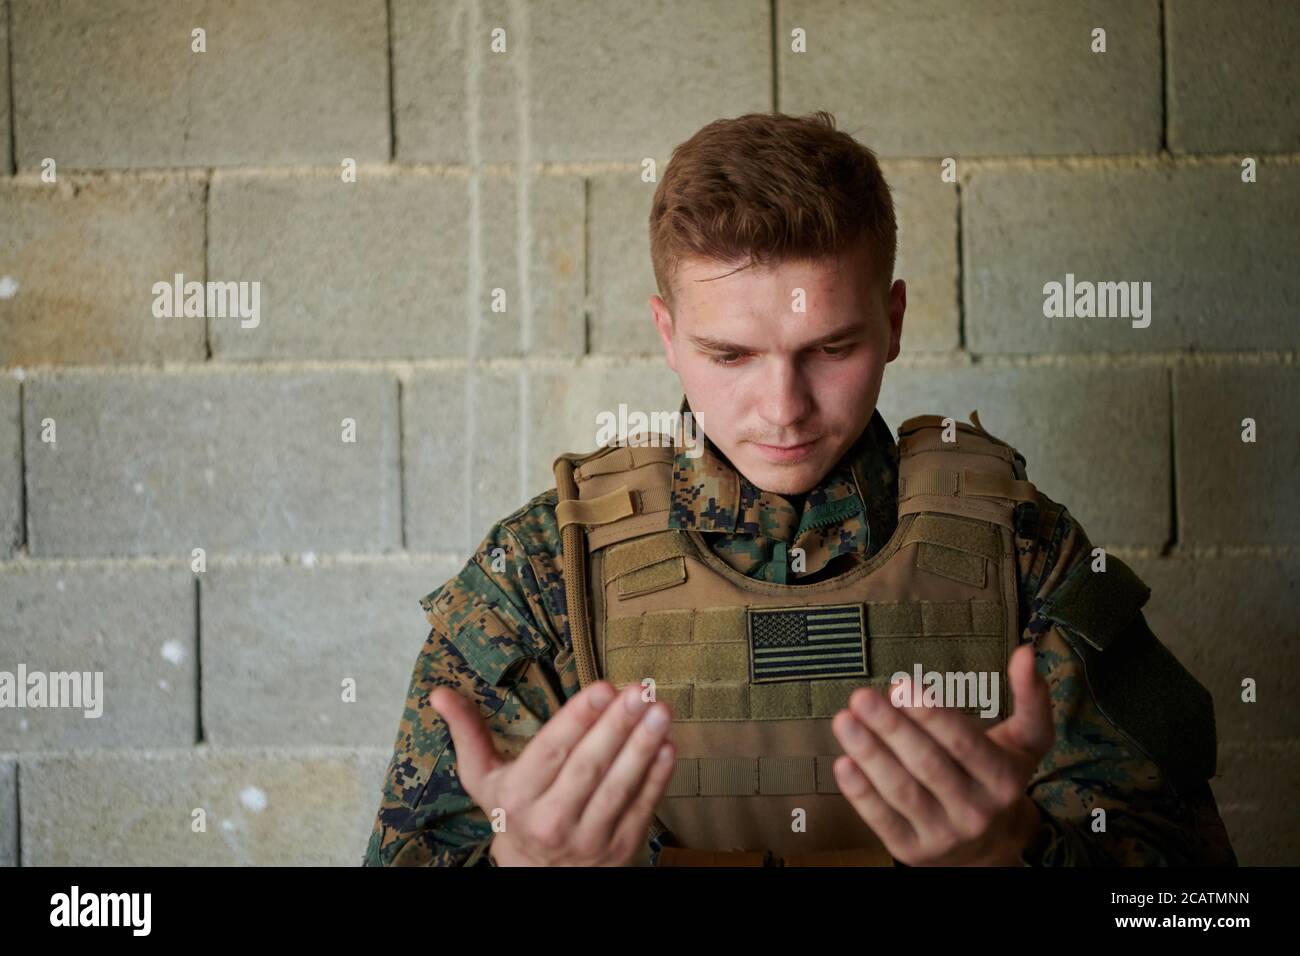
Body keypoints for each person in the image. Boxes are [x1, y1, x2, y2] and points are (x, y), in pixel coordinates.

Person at [363, 111, 1236, 867]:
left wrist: (1012, 853)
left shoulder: (1023, 552)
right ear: (667, 333)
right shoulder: (544, 574)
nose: (783, 409)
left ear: (893, 323)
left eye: (830, 348)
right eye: (730, 355)